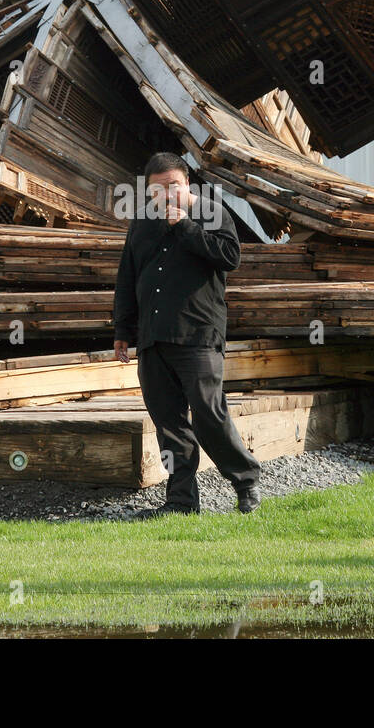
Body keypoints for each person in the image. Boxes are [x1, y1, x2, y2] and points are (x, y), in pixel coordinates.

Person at [113, 152, 262, 517]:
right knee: (169, 424)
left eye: (173, 187)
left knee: (209, 415)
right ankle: (180, 502)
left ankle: (246, 482)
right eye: (158, 190)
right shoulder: (141, 223)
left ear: (187, 184)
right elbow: (127, 277)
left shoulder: (212, 212)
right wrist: (122, 328)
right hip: (153, 338)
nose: (166, 195)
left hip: (198, 334)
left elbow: (230, 256)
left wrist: (185, 227)